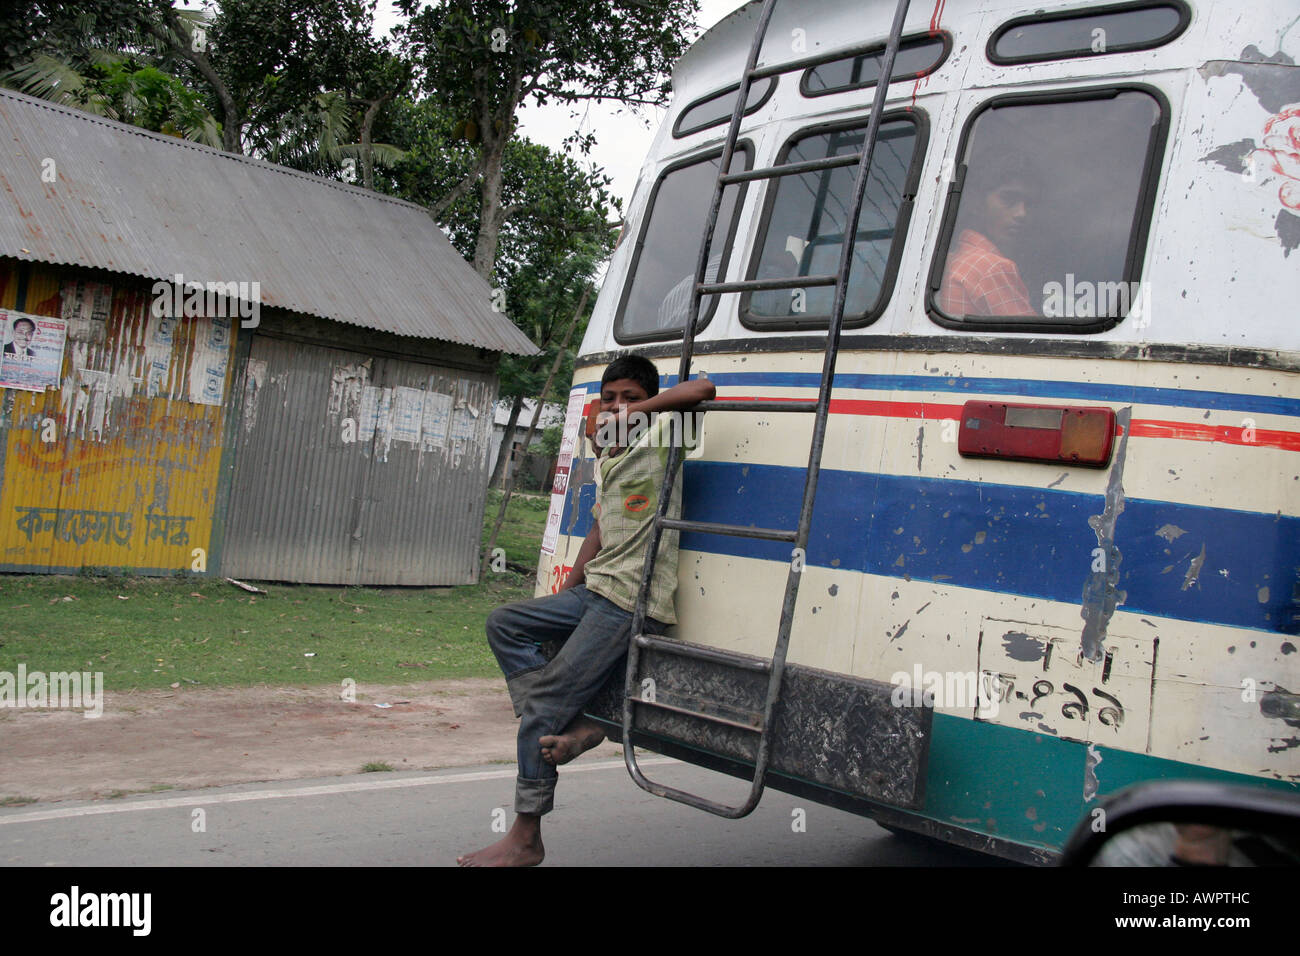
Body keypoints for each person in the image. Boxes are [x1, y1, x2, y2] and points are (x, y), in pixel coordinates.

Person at [457, 354, 715, 867]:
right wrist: (563, 596)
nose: (620, 408)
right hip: (595, 592)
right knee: (504, 623)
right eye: (611, 399)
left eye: (632, 398)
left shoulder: (665, 440)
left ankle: (527, 836)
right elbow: (598, 532)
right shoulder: (611, 457)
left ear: (649, 404)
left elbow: (703, 389)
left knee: (542, 706)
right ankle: (576, 719)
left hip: (630, 600)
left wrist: (638, 415)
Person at [938, 155, 1041, 317]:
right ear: (977, 202)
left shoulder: (954, 259)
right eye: (1009, 199)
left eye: (1028, 204)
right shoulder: (993, 267)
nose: (1022, 213)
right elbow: (1032, 339)